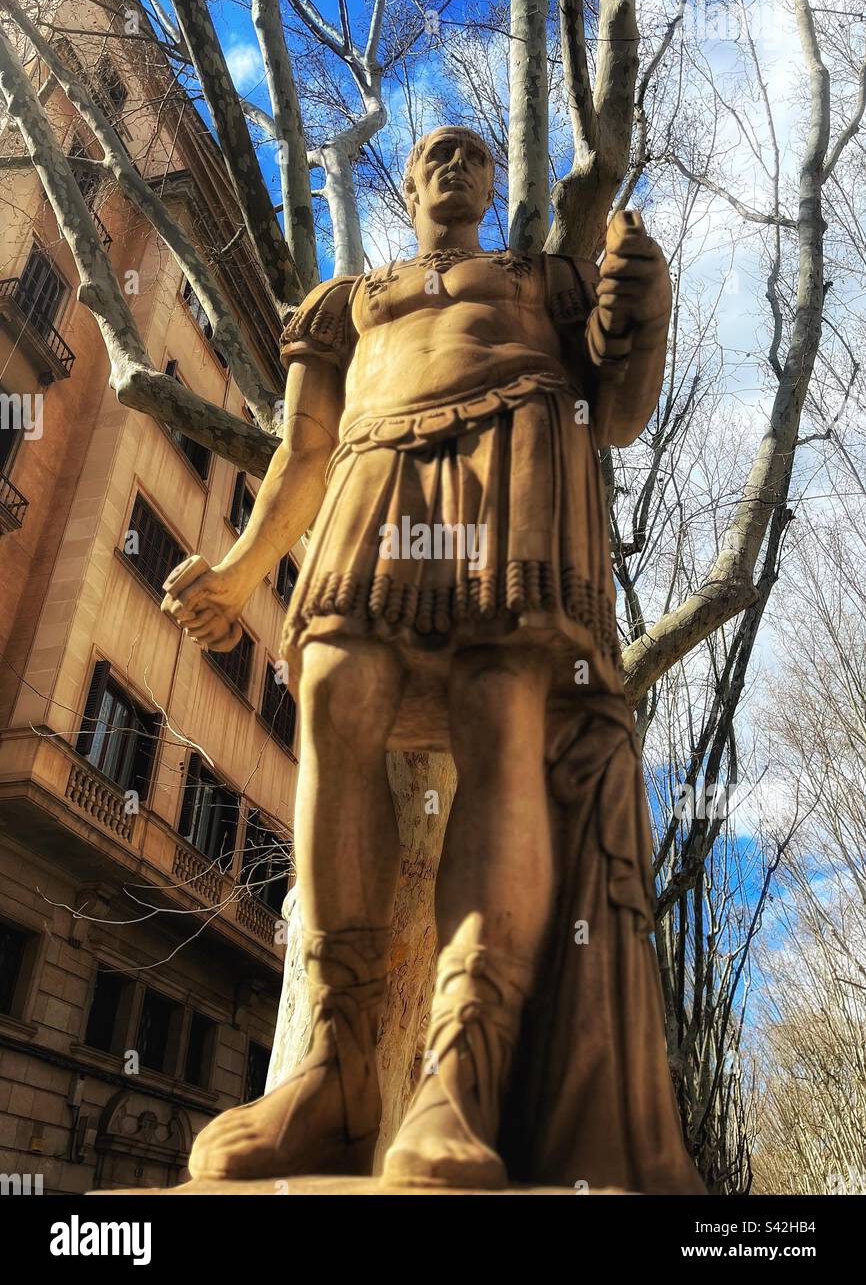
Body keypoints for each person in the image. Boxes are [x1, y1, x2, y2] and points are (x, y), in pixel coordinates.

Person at [162, 125, 699, 1192]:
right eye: (436, 156)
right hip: (372, 473)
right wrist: (235, 570)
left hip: (518, 459)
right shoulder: (345, 301)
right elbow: (299, 450)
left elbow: (618, 413)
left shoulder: (541, 278)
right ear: (405, 184)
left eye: (472, 158)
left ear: (493, 185)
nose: (455, 167)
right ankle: (336, 1067)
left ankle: (462, 1065)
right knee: (330, 691)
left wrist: (643, 308)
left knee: (501, 705)